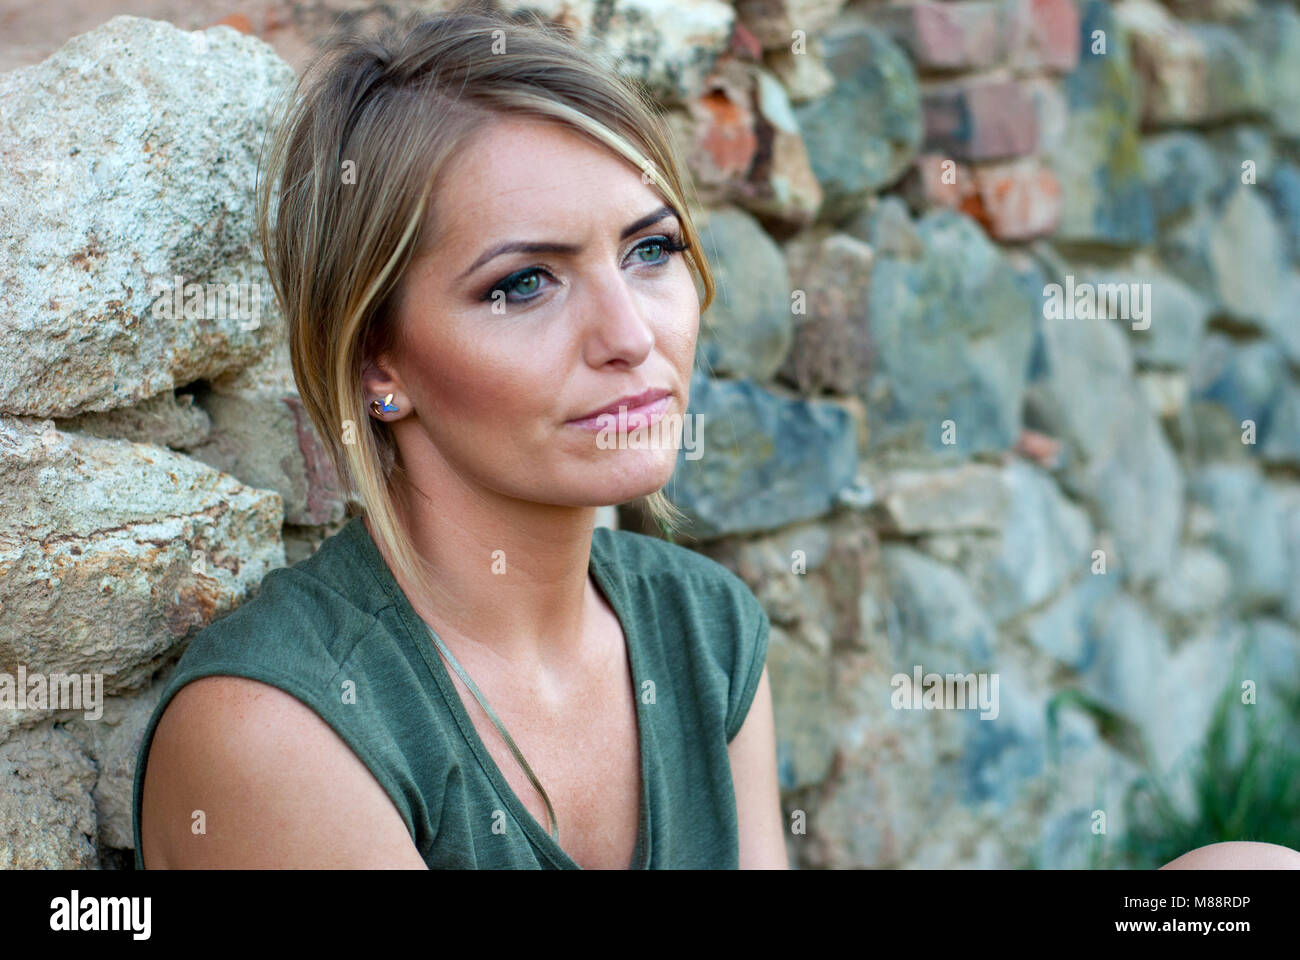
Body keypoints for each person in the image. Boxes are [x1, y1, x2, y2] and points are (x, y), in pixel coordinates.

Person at [132, 1, 786, 869]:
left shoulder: (706, 632)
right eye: (523, 284)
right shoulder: (283, 725)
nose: (629, 335)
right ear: (377, 365)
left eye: (650, 249)